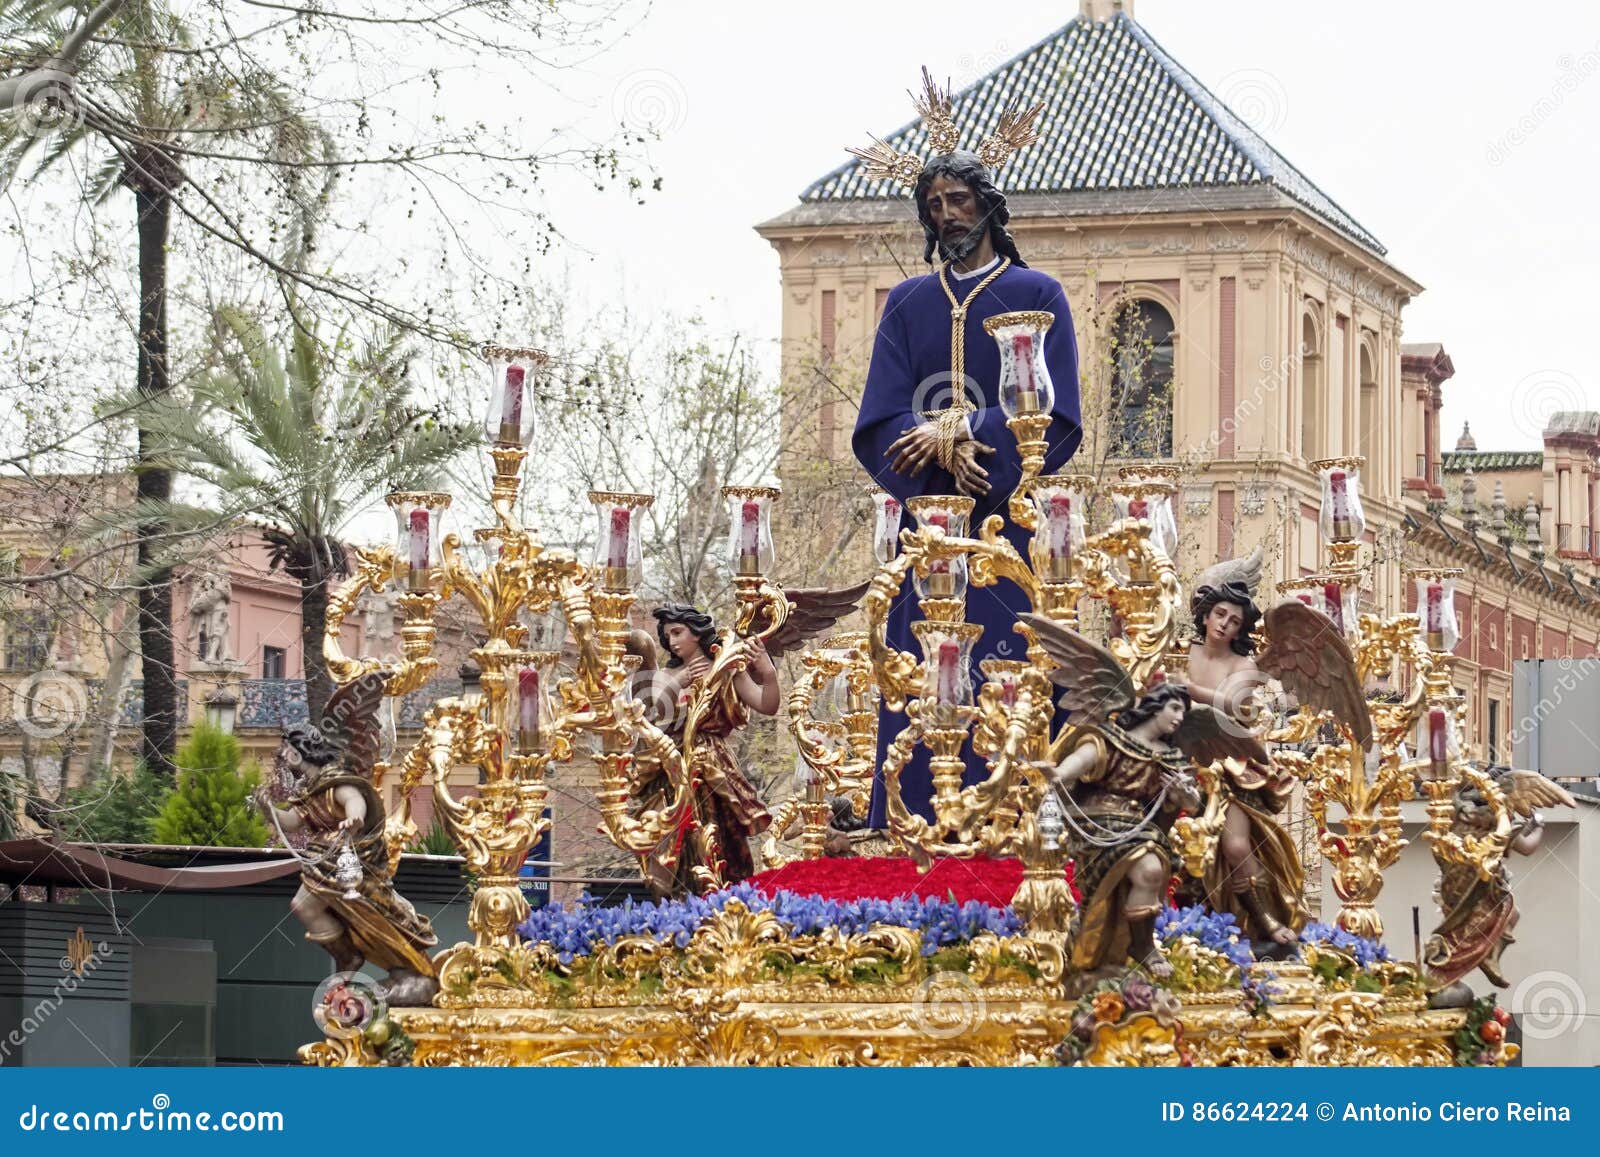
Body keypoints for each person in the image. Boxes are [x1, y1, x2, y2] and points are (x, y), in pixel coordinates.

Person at [853, 147, 1082, 827]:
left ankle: (1017, 822)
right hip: (928, 535)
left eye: (958, 200)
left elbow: (1055, 412)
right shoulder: (908, 303)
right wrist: (931, 450)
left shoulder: (1038, 295)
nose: (947, 214)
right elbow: (879, 423)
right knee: (920, 673)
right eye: (934, 205)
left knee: (1015, 662)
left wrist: (960, 428)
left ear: (985, 204)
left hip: (1007, 531)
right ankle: (911, 822)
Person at [631, 604, 778, 895]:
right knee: (674, 835)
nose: (672, 641)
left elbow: (766, 704)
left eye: (677, 632)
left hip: (712, 764)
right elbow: (648, 711)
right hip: (672, 765)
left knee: (720, 832)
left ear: (696, 633)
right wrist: (682, 679)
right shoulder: (669, 675)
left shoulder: (725, 667)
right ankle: (678, 898)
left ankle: (723, 892)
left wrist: (769, 674)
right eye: (667, 634)